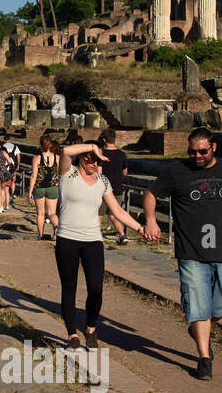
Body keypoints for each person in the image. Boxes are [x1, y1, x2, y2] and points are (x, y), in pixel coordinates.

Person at [143, 128, 222, 381]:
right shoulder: (177, 171)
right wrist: (151, 220)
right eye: (192, 151)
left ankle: (198, 329)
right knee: (198, 305)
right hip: (191, 252)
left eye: (202, 151)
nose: (196, 155)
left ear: (214, 148)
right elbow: (151, 193)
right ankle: (204, 358)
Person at [55, 142, 151, 348]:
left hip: (92, 241)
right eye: (89, 158)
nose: (93, 162)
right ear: (81, 157)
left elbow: (117, 211)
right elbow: (65, 151)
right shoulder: (67, 173)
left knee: (96, 288)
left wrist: (141, 229)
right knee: (69, 287)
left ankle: (90, 326)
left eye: (97, 160)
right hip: (67, 239)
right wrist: (92, 147)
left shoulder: (102, 181)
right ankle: (72, 334)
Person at [27, 134, 61, 240]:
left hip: (39, 187)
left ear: (41, 145)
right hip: (53, 187)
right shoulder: (57, 158)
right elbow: (60, 174)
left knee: (40, 213)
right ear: (50, 144)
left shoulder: (37, 158)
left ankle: (41, 235)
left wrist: (30, 192)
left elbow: (33, 176)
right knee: (52, 213)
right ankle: (57, 228)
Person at [0, 133, 21, 209]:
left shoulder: (2, 147)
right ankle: (12, 193)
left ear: (4, 140)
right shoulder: (15, 146)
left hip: (4, 166)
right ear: (10, 139)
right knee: (13, 180)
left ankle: (3, 201)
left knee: (3, 185)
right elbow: (18, 156)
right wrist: (18, 164)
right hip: (13, 166)